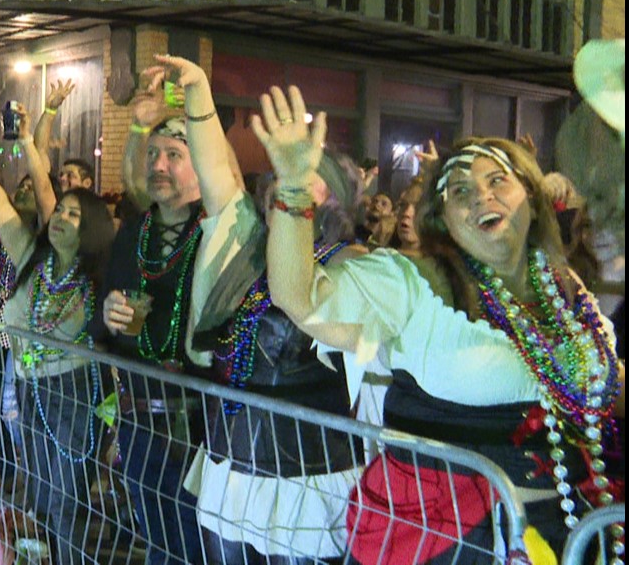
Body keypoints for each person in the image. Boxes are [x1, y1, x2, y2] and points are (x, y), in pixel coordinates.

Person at [256, 84, 626, 563]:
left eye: (498, 181)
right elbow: (298, 297)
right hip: (453, 543)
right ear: (444, 219)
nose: (480, 197)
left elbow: (605, 384)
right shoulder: (412, 283)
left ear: (531, 198)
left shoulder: (564, 286)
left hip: (575, 531)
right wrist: (291, 186)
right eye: (460, 191)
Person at [144, 55, 367, 565]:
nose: (285, 188)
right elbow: (215, 168)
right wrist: (197, 90)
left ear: (331, 199)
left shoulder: (354, 266)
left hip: (309, 477)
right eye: (281, 182)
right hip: (233, 463)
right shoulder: (248, 244)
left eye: (306, 178)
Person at [0, 99, 115, 563]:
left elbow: (45, 192)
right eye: (61, 211)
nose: (63, 218)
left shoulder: (96, 281)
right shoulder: (32, 260)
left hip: (74, 393)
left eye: (74, 215)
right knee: (44, 494)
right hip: (28, 387)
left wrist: (32, 139)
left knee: (67, 499)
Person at [95, 80, 207, 565]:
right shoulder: (134, 233)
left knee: (195, 538)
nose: (159, 164)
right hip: (139, 414)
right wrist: (107, 313)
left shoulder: (217, 230)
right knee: (155, 534)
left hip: (199, 420)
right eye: (154, 154)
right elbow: (107, 304)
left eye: (175, 155)